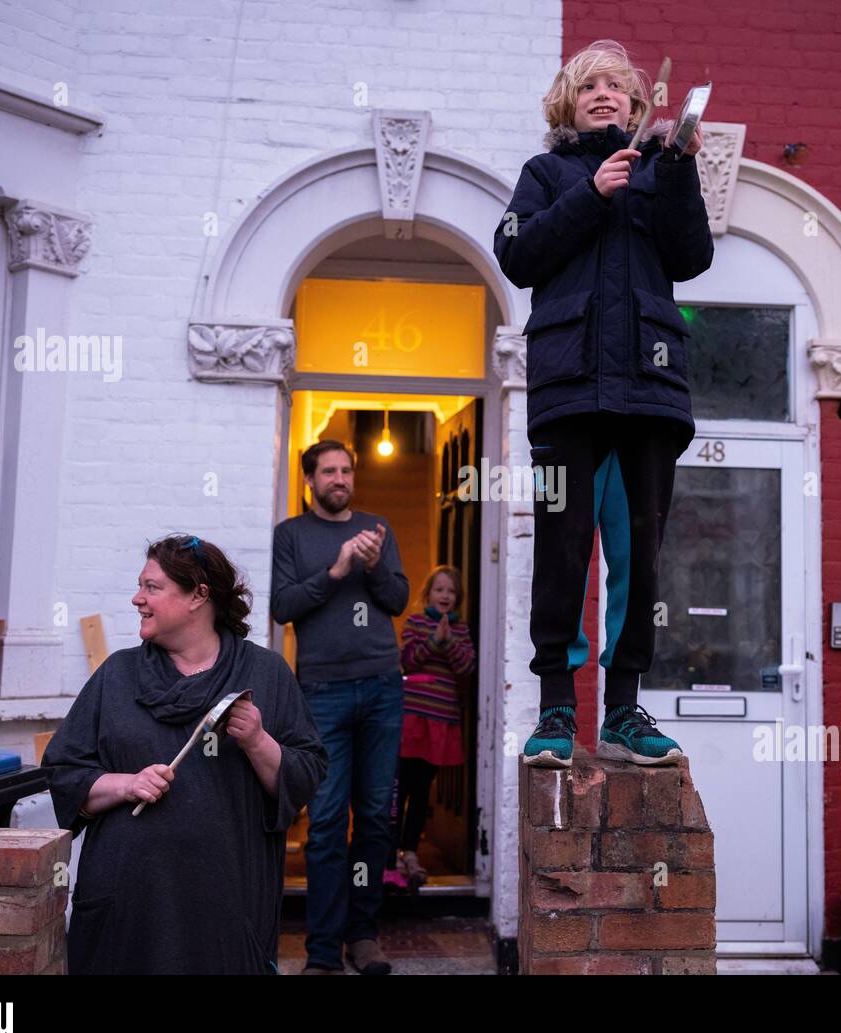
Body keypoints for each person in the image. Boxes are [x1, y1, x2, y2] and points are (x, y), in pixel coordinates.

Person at [493, 39, 713, 769]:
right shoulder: (545, 173)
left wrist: (677, 169)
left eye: (618, 85)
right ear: (568, 101)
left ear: (637, 103)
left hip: (648, 394)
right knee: (562, 552)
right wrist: (591, 196)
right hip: (567, 390)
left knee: (638, 558)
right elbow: (518, 253)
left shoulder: (660, 173)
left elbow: (691, 257)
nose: (605, 94)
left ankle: (623, 709)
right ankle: (557, 704)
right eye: (589, 85)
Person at [43, 535, 328, 975]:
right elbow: (64, 773)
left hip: (225, 913)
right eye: (140, 586)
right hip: (128, 910)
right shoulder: (117, 675)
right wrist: (125, 784)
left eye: (152, 587)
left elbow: (306, 775)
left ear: (198, 594)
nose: (137, 599)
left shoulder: (265, 674)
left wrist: (257, 740)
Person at [271, 439, 410, 975]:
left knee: (374, 818)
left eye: (346, 470)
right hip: (322, 694)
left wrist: (373, 567)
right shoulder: (292, 535)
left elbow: (398, 599)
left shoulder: (377, 527)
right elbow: (283, 607)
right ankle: (323, 950)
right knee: (327, 822)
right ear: (309, 480)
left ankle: (364, 935)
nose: (340, 479)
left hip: (381, 687)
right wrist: (336, 570)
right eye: (328, 471)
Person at [394, 566, 475, 890]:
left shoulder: (462, 631)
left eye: (451, 592)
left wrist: (449, 642)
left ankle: (411, 851)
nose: (445, 595)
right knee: (398, 789)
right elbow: (408, 661)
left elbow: (467, 666)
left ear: (457, 599)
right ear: (428, 594)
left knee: (421, 790)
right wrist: (433, 641)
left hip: (440, 721)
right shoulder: (415, 624)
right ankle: (391, 855)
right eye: (439, 590)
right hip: (412, 718)